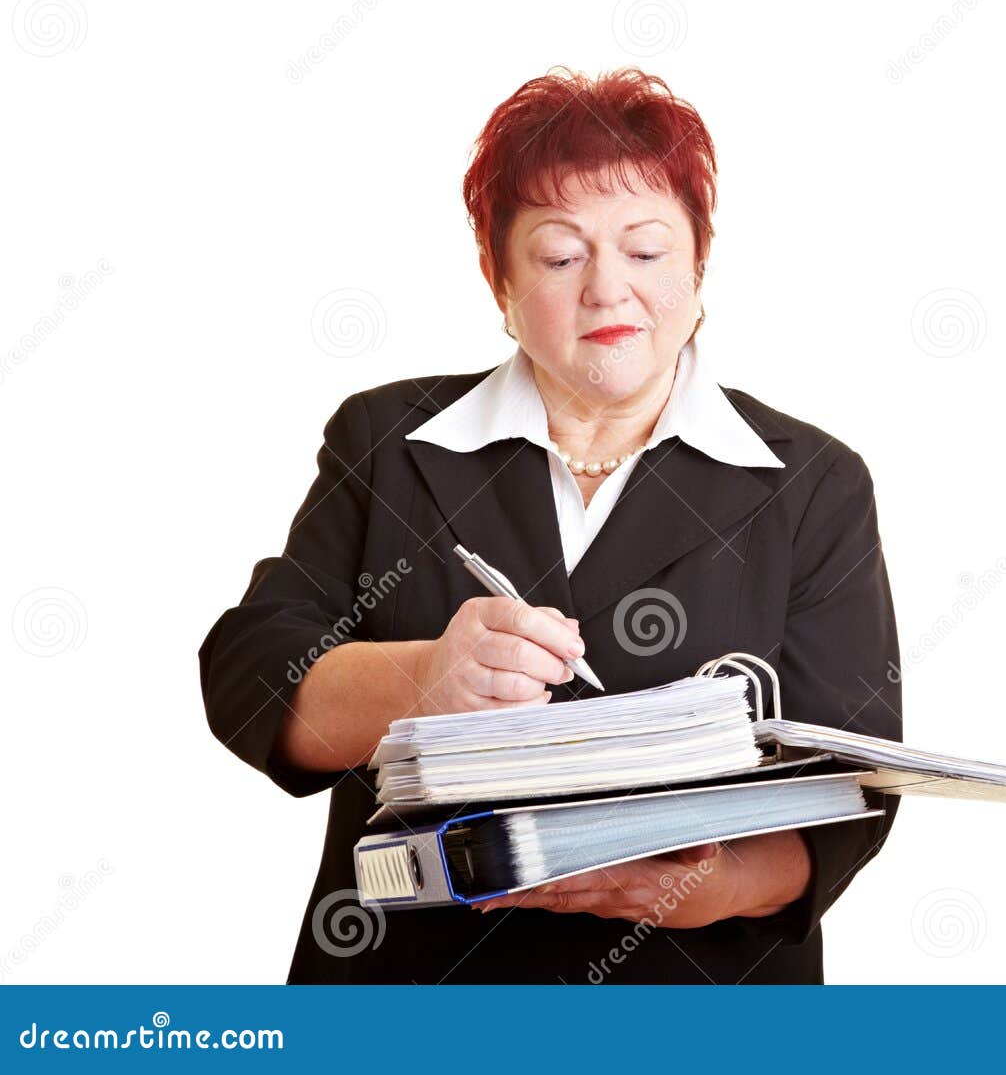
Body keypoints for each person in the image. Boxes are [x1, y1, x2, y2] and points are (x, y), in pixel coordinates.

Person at [197, 67, 901, 983]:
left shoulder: (812, 482)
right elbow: (249, 677)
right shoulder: (389, 442)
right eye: (561, 256)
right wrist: (421, 676)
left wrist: (702, 884)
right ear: (499, 279)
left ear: (699, 263)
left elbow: (851, 794)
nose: (608, 290)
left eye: (645, 250)